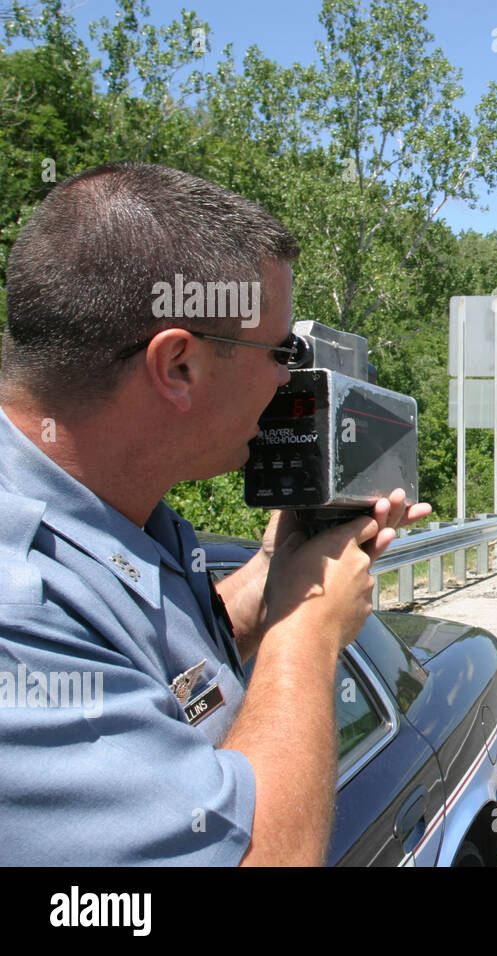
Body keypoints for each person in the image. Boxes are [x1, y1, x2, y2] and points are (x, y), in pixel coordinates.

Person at [0, 162, 431, 865]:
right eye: (282, 350)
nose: (293, 379)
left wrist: (268, 583)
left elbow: (151, 671)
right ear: (178, 366)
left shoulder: (119, 516)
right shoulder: (18, 613)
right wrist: (310, 627)